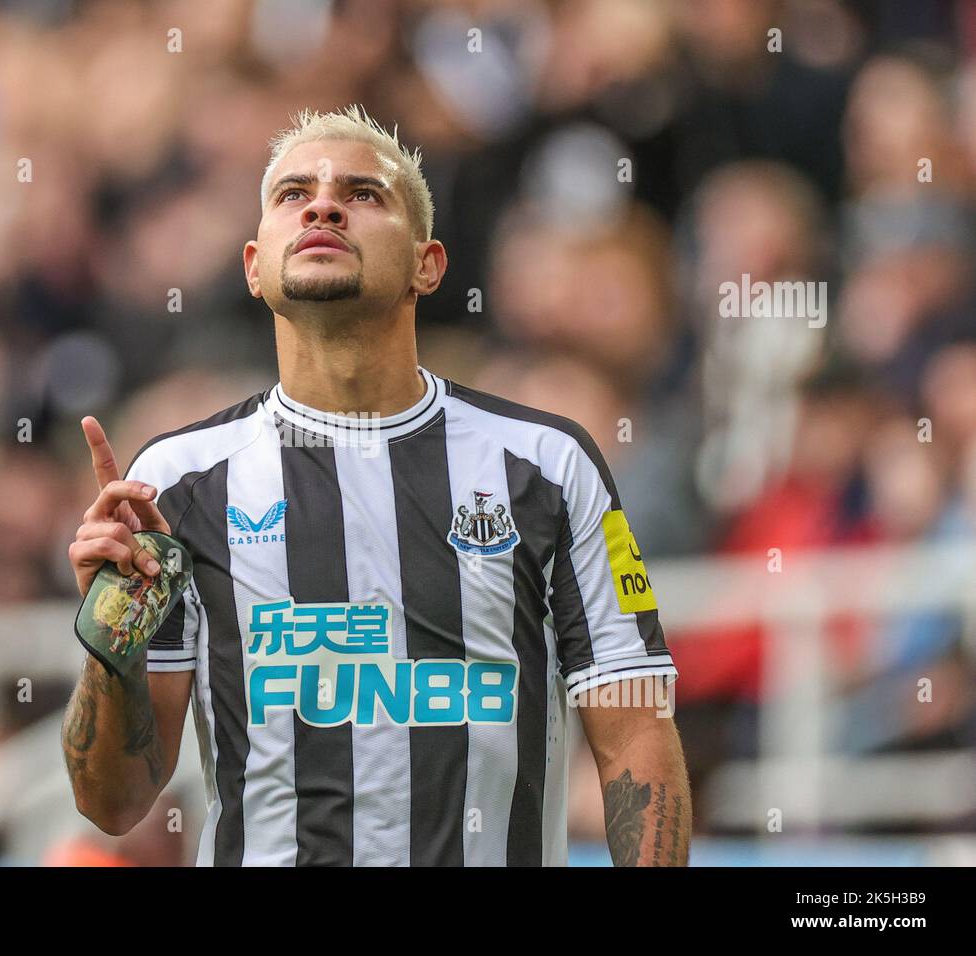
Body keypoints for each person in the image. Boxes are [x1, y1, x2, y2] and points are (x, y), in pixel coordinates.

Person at [61, 106, 690, 867]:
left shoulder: (547, 465)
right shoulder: (176, 483)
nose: (323, 204)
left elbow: (635, 735)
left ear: (428, 264)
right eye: (294, 193)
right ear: (255, 267)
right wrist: (110, 640)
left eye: (364, 193)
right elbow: (116, 803)